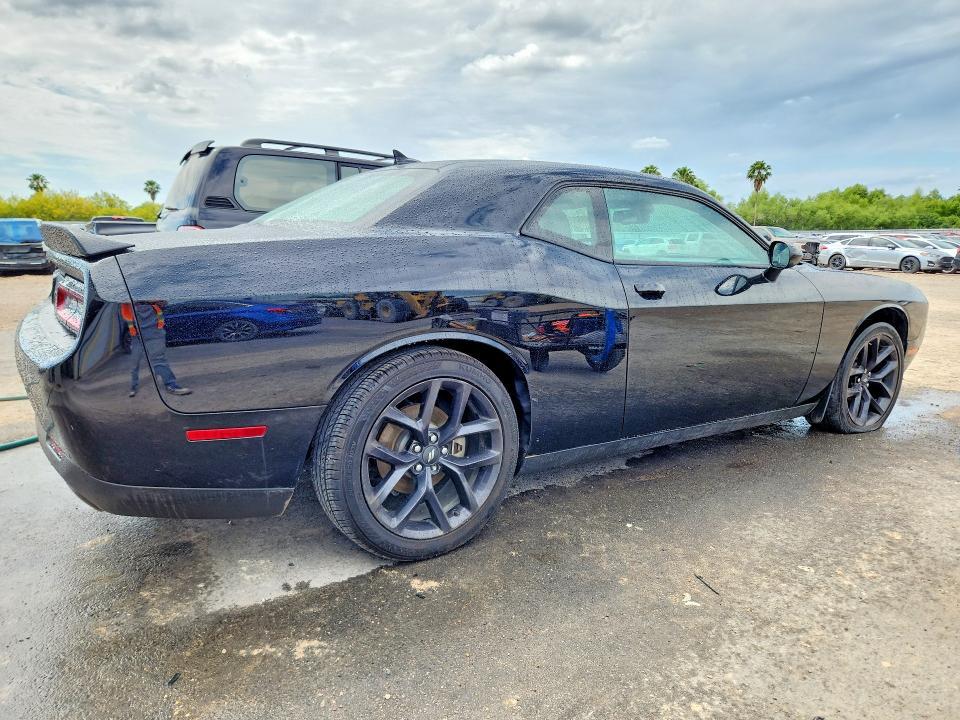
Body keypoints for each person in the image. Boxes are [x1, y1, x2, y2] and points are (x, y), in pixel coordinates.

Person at [121, 302, 191, 397]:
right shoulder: (126, 299)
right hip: (136, 336)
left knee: (159, 360)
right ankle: (134, 387)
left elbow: (163, 302)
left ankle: (171, 385)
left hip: (154, 334)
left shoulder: (151, 294)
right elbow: (126, 315)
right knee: (135, 364)